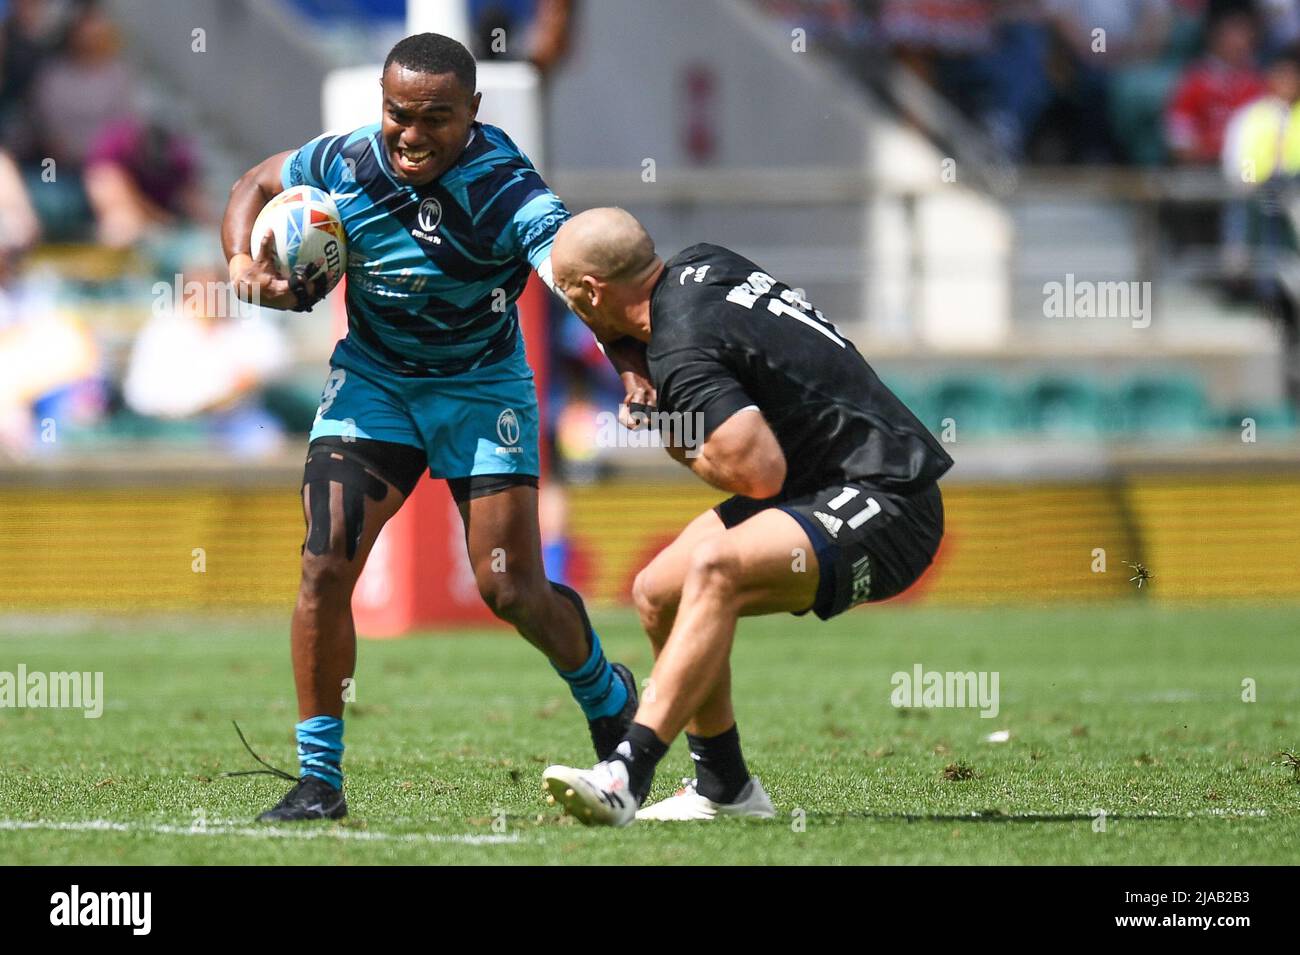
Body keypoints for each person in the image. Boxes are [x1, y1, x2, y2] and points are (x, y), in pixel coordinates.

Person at [220, 34, 648, 823]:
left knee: (507, 587)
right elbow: (252, 182)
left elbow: (577, 277)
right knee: (324, 568)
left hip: (482, 390)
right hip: (375, 388)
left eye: (436, 119)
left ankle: (608, 693)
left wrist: (628, 363)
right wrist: (243, 266)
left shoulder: (506, 187)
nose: (412, 137)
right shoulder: (346, 161)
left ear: (474, 113)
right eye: (398, 116)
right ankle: (320, 779)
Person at [539, 209, 953, 826]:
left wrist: (667, 430)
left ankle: (629, 769)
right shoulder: (706, 263)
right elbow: (629, 328)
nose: (571, 309)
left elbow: (758, 473)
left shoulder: (682, 350)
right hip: (823, 478)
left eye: (571, 296)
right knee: (658, 592)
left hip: (887, 497)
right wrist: (635, 373)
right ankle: (724, 786)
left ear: (594, 292)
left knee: (714, 569)